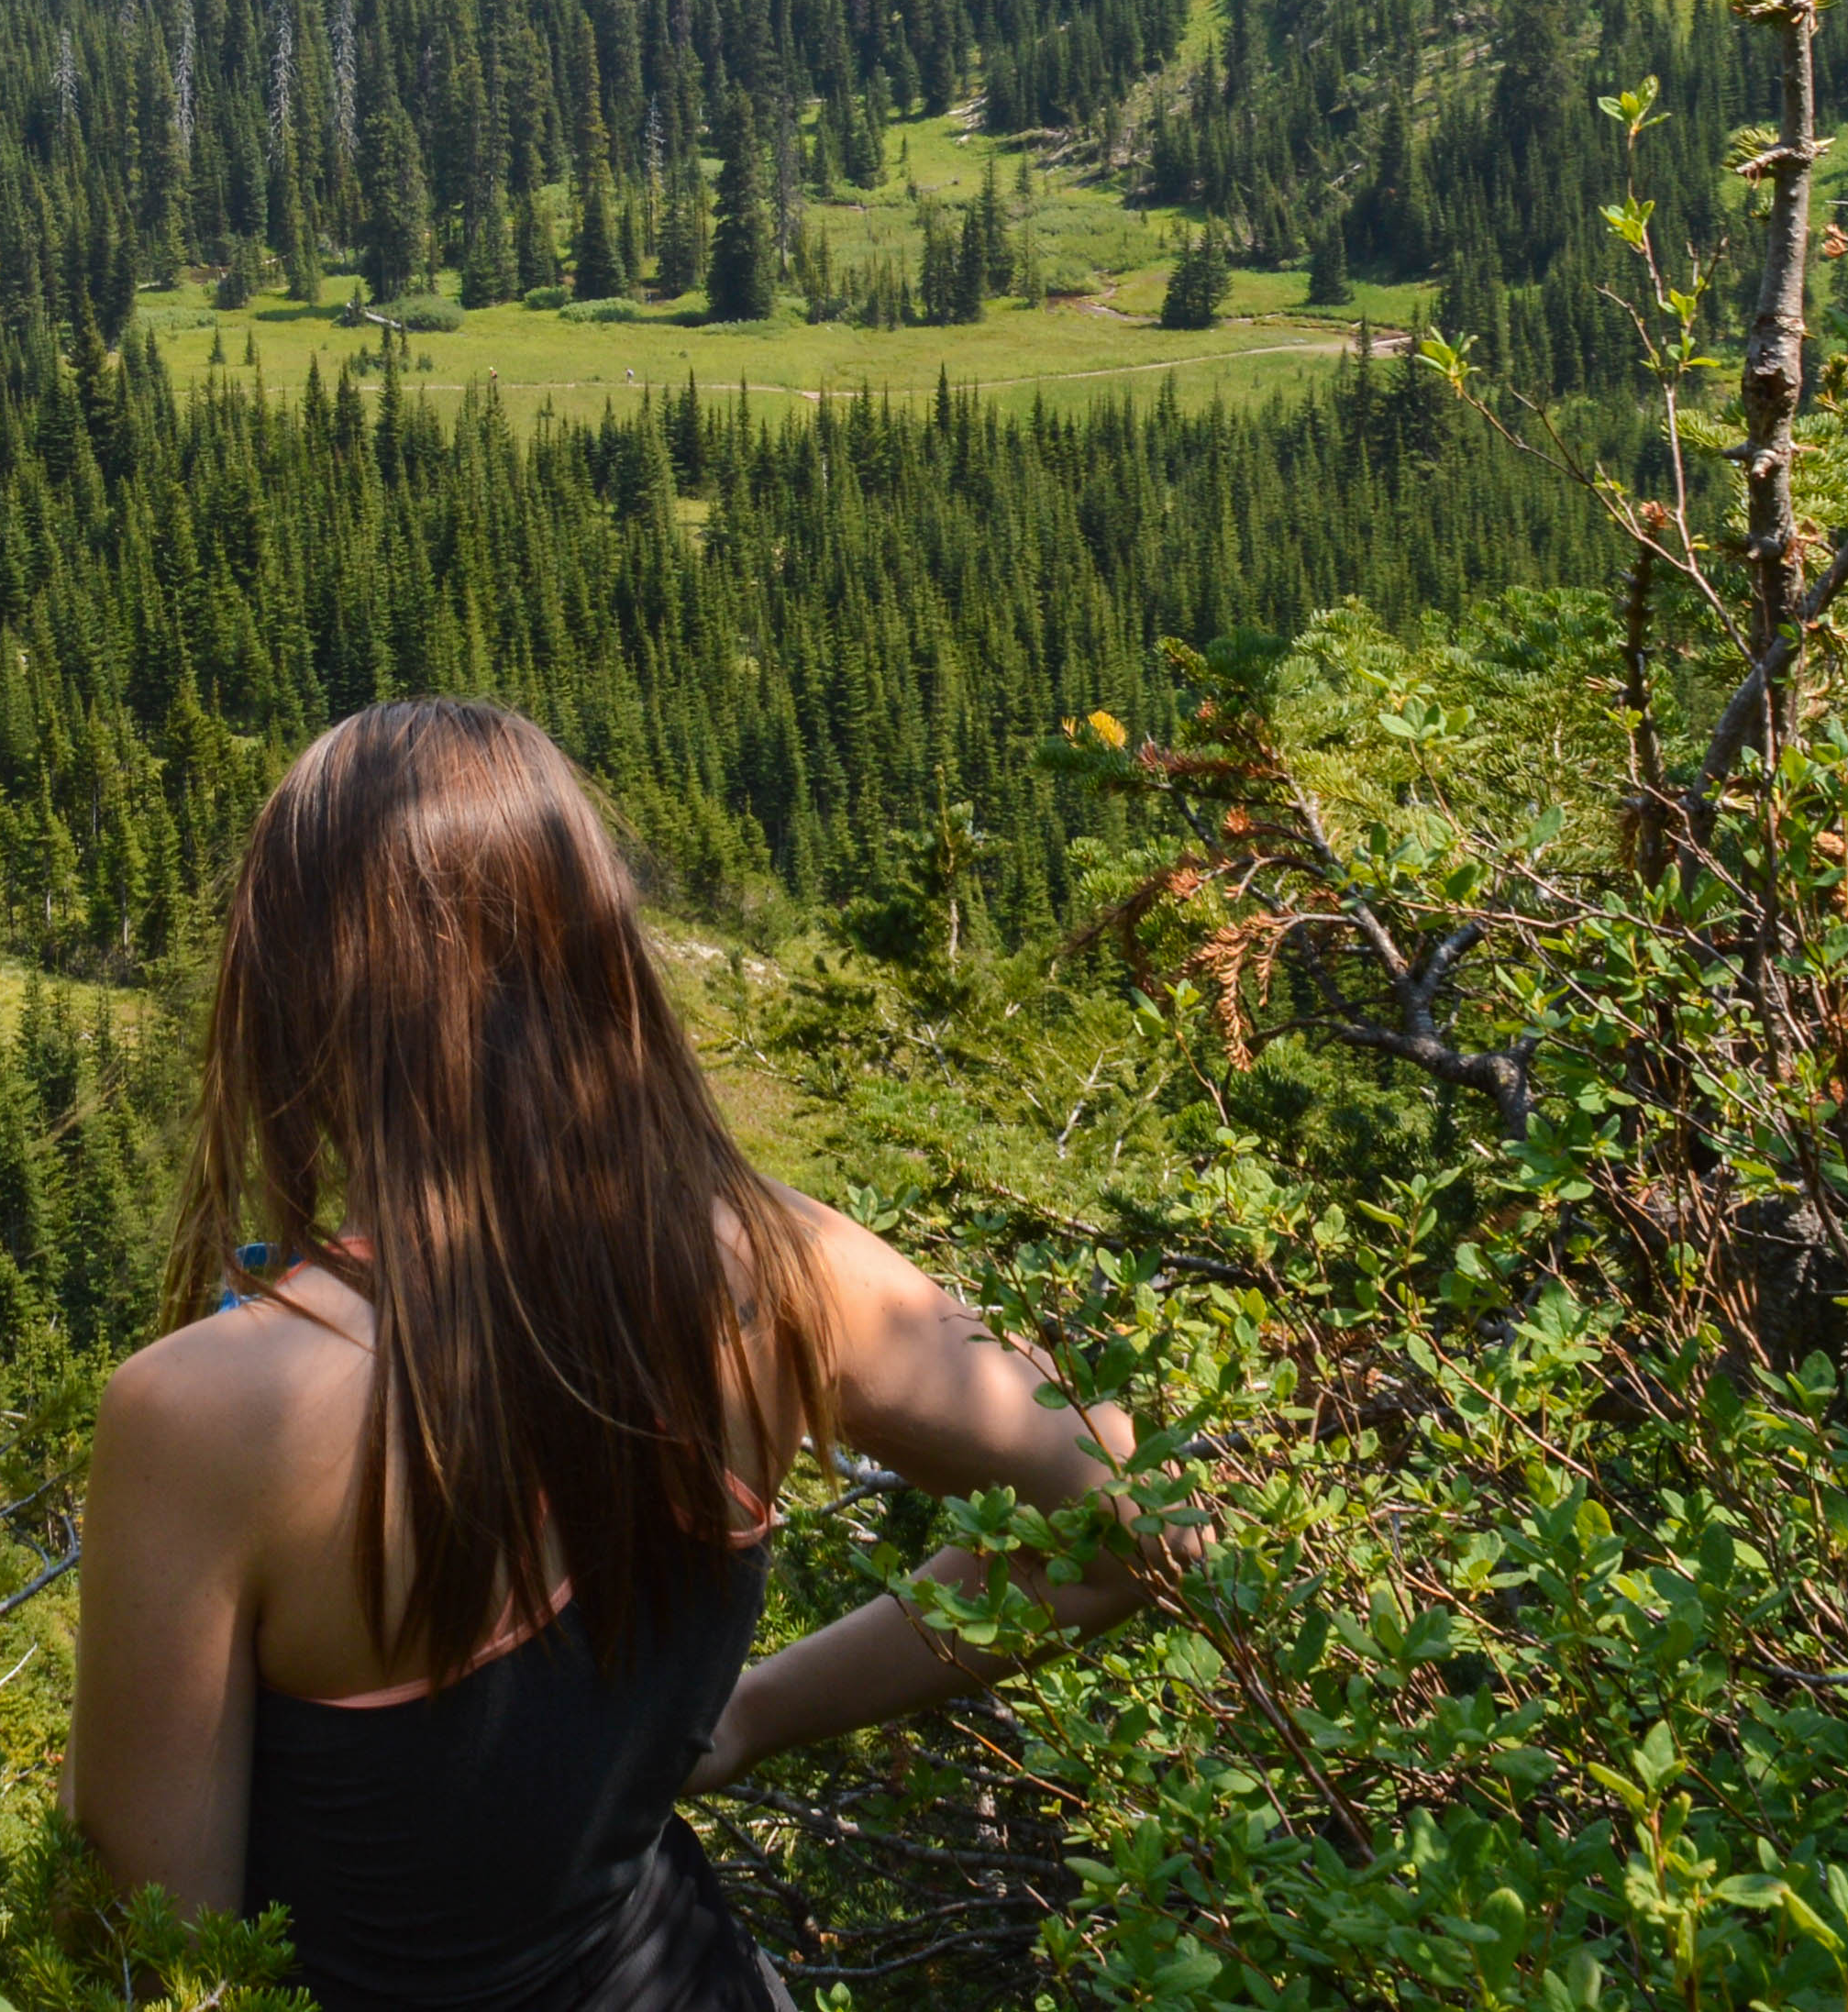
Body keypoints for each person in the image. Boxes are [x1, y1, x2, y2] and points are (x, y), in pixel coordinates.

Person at [67, 697, 1178, 2012]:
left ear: (299, 988)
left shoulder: (204, 1416)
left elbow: (161, 1961)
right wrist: (755, 1715)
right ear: (598, 955)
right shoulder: (786, 1267)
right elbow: (1139, 1520)